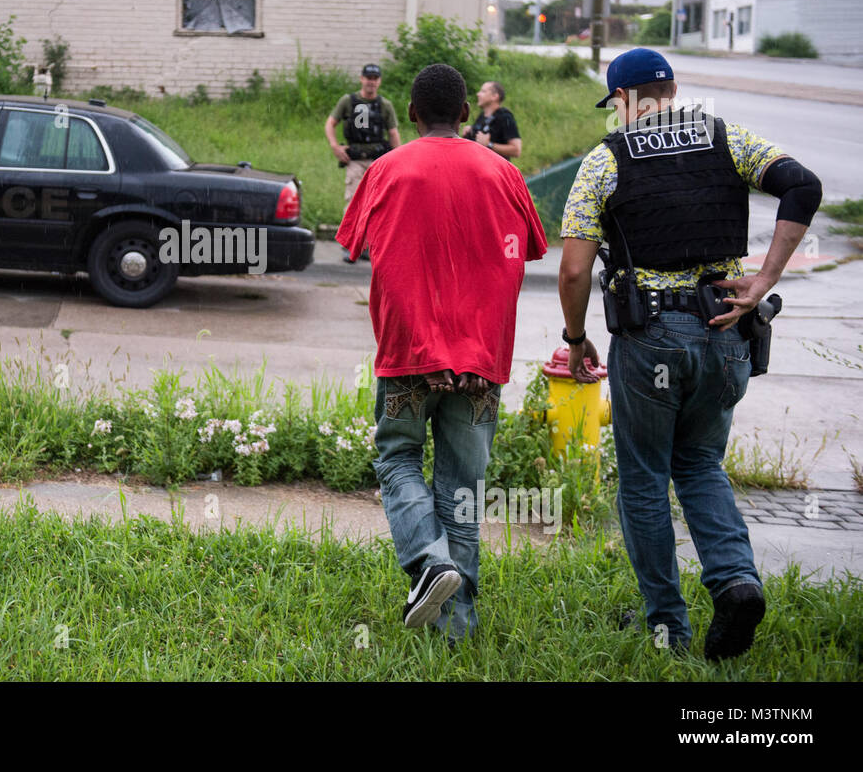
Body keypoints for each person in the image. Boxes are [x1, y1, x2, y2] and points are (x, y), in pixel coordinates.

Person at [557, 47, 822, 660]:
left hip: (649, 337)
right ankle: (735, 581)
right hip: (726, 329)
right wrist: (763, 282)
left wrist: (576, 341)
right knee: (701, 464)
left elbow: (573, 271)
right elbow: (802, 185)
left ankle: (666, 628)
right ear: (671, 91)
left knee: (645, 479)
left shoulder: (606, 160)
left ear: (622, 100)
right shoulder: (728, 139)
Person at [337, 64, 547, 640]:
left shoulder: (384, 170)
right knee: (462, 489)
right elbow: (526, 252)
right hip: (483, 360)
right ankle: (457, 630)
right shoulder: (504, 173)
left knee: (398, 460)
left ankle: (430, 562)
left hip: (408, 354)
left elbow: (356, 247)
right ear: (464, 115)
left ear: (409, 113)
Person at [326, 63, 401, 261]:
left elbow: (393, 133)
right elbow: (330, 123)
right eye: (368, 77)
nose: (371, 82)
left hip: (377, 160)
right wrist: (335, 146)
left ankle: (367, 245)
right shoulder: (348, 101)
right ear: (361, 79)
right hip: (355, 158)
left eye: (375, 78)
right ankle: (350, 246)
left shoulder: (385, 105)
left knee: (376, 203)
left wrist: (398, 159)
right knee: (352, 201)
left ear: (379, 81)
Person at [467, 81, 522, 159]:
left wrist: (489, 144)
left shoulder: (505, 117)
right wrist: (470, 132)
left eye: (483, 91)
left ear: (494, 96)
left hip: (496, 169)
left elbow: (516, 150)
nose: (478, 94)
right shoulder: (482, 115)